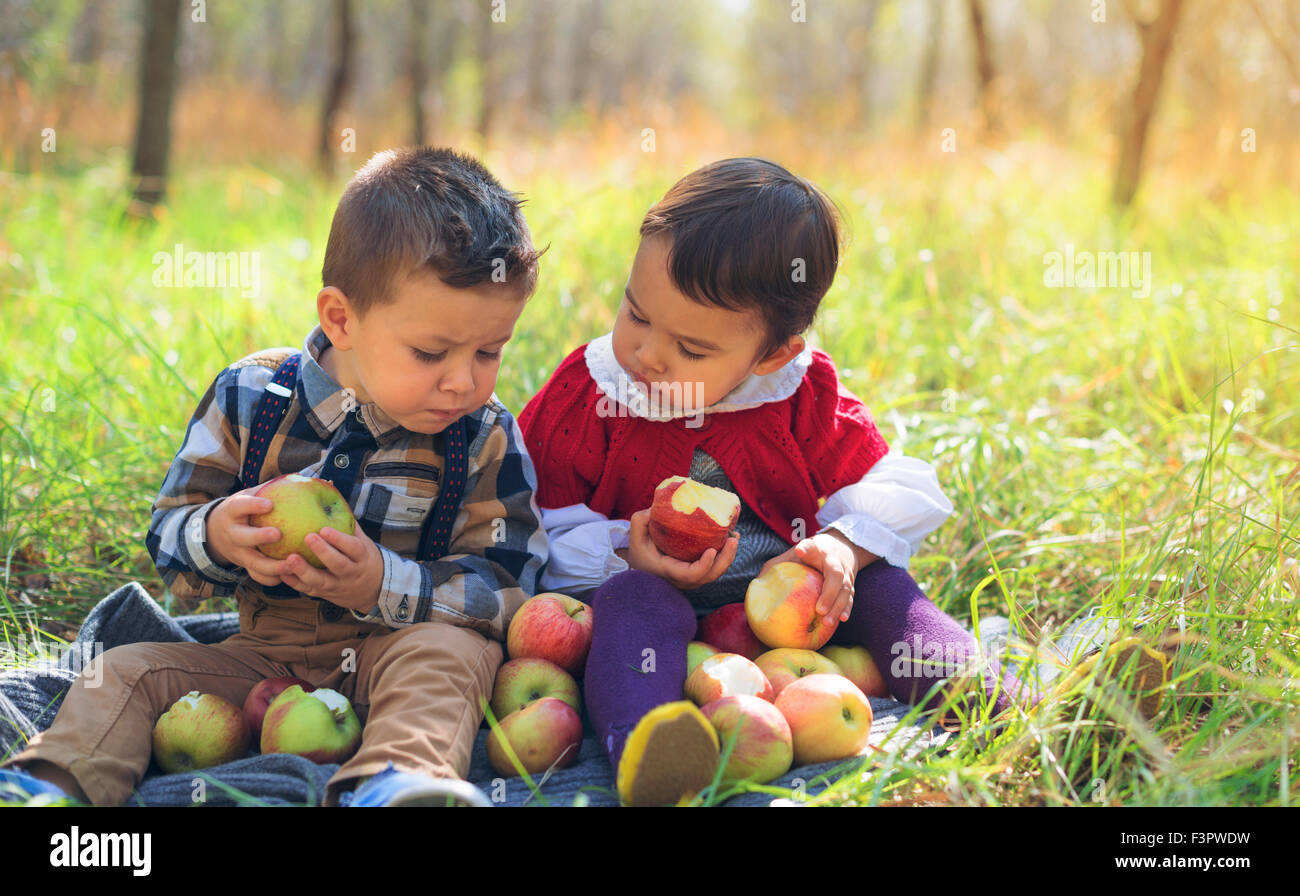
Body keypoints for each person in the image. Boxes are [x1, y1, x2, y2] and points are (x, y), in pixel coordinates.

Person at [0, 146, 549, 807]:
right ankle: (53, 786)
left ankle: (398, 782)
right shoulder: (251, 396)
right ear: (341, 319)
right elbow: (171, 542)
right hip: (260, 660)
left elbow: (515, 585)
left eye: (489, 351)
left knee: (452, 657)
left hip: (395, 654)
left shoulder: (483, 433)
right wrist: (219, 535)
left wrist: (384, 581)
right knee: (122, 670)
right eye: (431, 353)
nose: (464, 380)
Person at [517, 157, 1029, 807]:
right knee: (631, 607)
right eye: (636, 313)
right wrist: (622, 549)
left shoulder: (798, 394)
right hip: (655, 604)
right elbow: (531, 522)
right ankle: (652, 747)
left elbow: (898, 485)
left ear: (772, 354)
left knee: (879, 584)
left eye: (691, 349)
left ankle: (1000, 703)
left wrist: (844, 547)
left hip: (796, 624)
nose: (647, 353)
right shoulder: (594, 393)